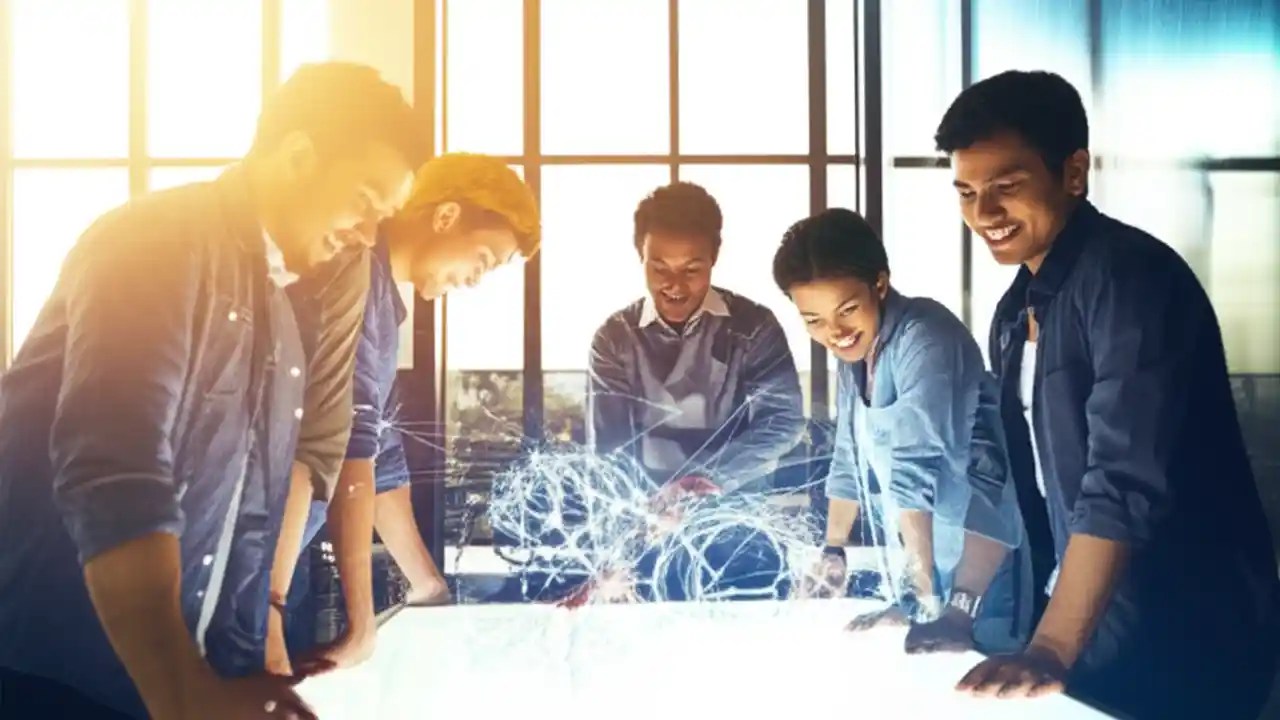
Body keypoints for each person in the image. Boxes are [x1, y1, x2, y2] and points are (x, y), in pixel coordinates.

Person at [0, 62, 428, 720]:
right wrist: (187, 695)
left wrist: (248, 670)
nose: (367, 235)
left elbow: (247, 523)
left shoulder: (280, 318)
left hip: (155, 682)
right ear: (299, 157)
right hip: (53, 668)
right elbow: (117, 477)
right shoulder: (155, 243)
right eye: (365, 200)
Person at [936, 70, 1280, 719]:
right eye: (967, 192)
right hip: (1085, 640)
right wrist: (963, 611)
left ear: (1073, 172)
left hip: (1182, 637)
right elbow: (1008, 482)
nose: (983, 214)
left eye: (1006, 187)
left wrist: (1051, 648)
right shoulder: (1014, 313)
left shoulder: (1130, 280)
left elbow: (1121, 482)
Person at [268, 153, 540, 674]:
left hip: (277, 564)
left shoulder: (386, 309)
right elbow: (350, 453)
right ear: (445, 217)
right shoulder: (354, 275)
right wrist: (361, 622)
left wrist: (427, 584)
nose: (474, 280)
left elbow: (384, 466)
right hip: (251, 562)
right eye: (482, 259)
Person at [773, 208, 1031, 655]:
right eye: (813, 320)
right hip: (933, 566)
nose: (835, 332)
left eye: (847, 310)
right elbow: (848, 458)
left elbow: (916, 469)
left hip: (984, 574)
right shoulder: (856, 353)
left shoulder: (925, 339)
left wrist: (928, 599)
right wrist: (834, 552)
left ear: (880, 282)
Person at [587, 181, 806, 500]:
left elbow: (783, 420)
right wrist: (647, 506)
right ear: (640, 256)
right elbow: (611, 447)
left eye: (691, 269)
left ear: (714, 258)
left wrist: (706, 480)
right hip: (649, 511)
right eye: (659, 268)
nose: (674, 285)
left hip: (738, 507)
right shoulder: (614, 338)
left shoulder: (753, 327)